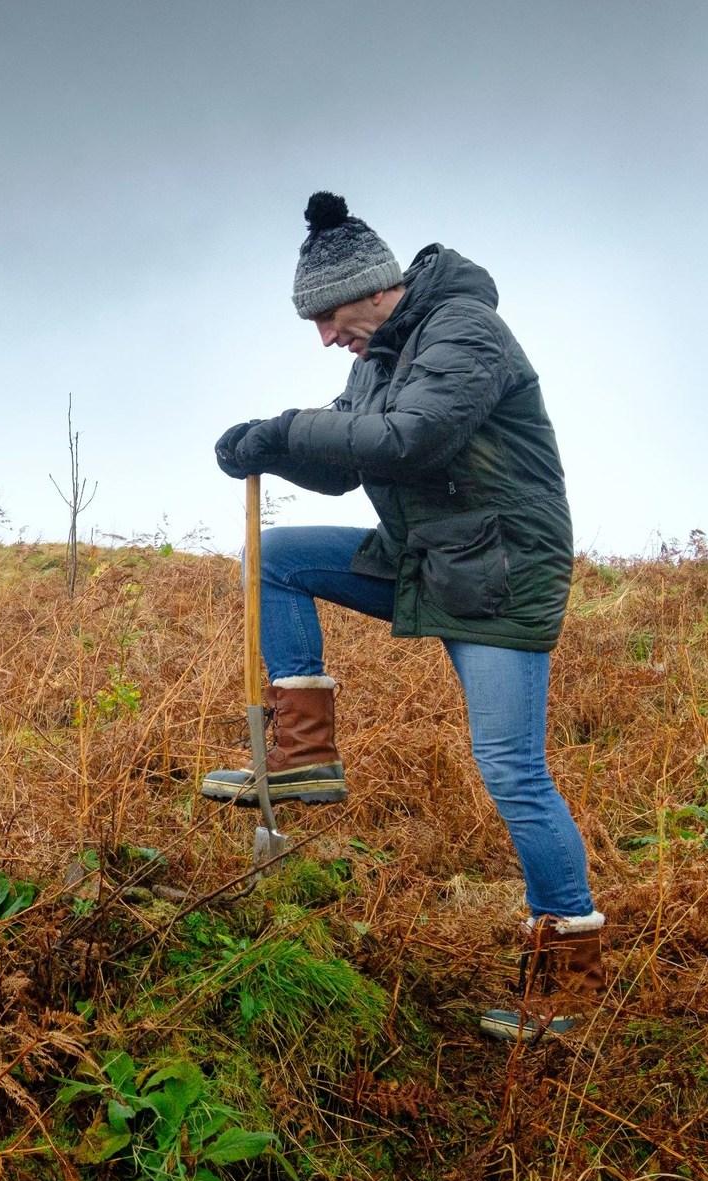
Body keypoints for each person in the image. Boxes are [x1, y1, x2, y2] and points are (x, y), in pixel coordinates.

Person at [202, 191, 605, 1041]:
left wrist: (285, 425)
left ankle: (565, 991)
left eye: (328, 315)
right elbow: (350, 461)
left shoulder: (464, 331)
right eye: (312, 321)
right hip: (425, 557)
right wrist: (267, 445)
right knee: (273, 558)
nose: (325, 337)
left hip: (496, 572)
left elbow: (408, 440)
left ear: (374, 289)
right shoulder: (378, 356)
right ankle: (304, 754)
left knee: (511, 771)